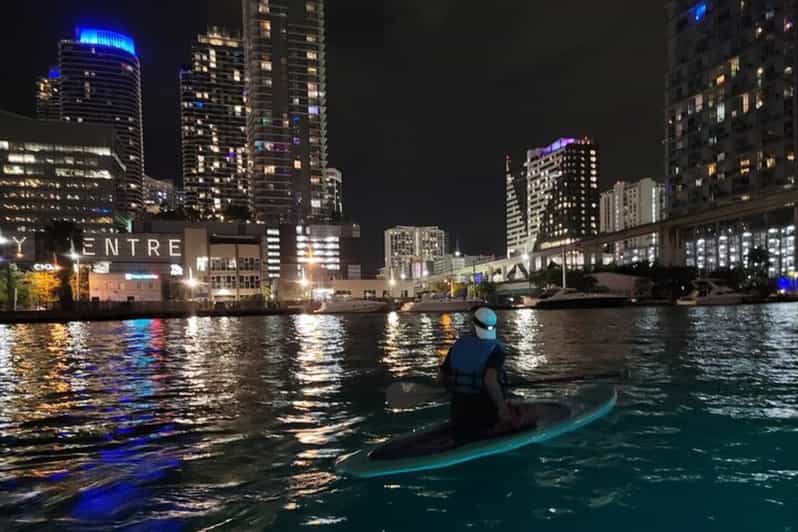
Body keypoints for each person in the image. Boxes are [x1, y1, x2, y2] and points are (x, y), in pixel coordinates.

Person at [439, 307, 523, 435]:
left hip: (458, 412)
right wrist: (503, 409)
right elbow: (490, 380)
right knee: (526, 420)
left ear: (473, 326)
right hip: (485, 413)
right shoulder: (495, 349)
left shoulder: (457, 346)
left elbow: (441, 377)